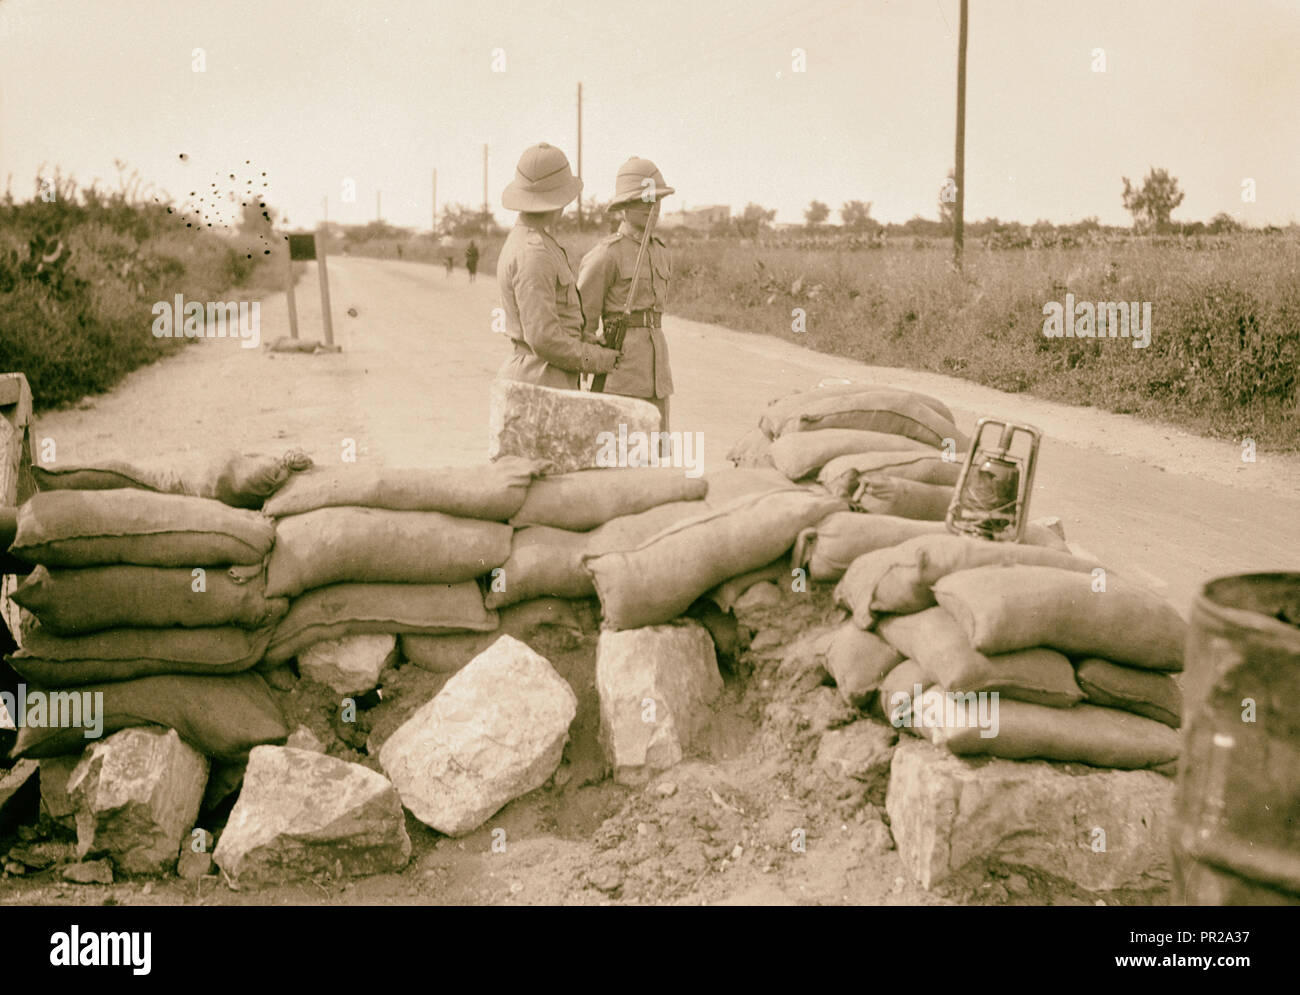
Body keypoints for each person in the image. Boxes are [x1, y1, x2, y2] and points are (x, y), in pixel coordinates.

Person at [495, 142, 620, 388]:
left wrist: (586, 340)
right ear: (559, 200)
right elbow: (543, 338)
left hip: (542, 376)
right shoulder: (534, 252)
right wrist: (596, 359)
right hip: (540, 380)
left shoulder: (531, 241)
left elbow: (550, 322)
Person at [577, 157, 675, 432]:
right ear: (623, 208)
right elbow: (582, 323)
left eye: (656, 200)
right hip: (620, 374)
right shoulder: (606, 255)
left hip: (657, 373)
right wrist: (592, 362)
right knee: (620, 455)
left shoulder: (662, 252)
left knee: (656, 454)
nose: (652, 208)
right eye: (643, 201)